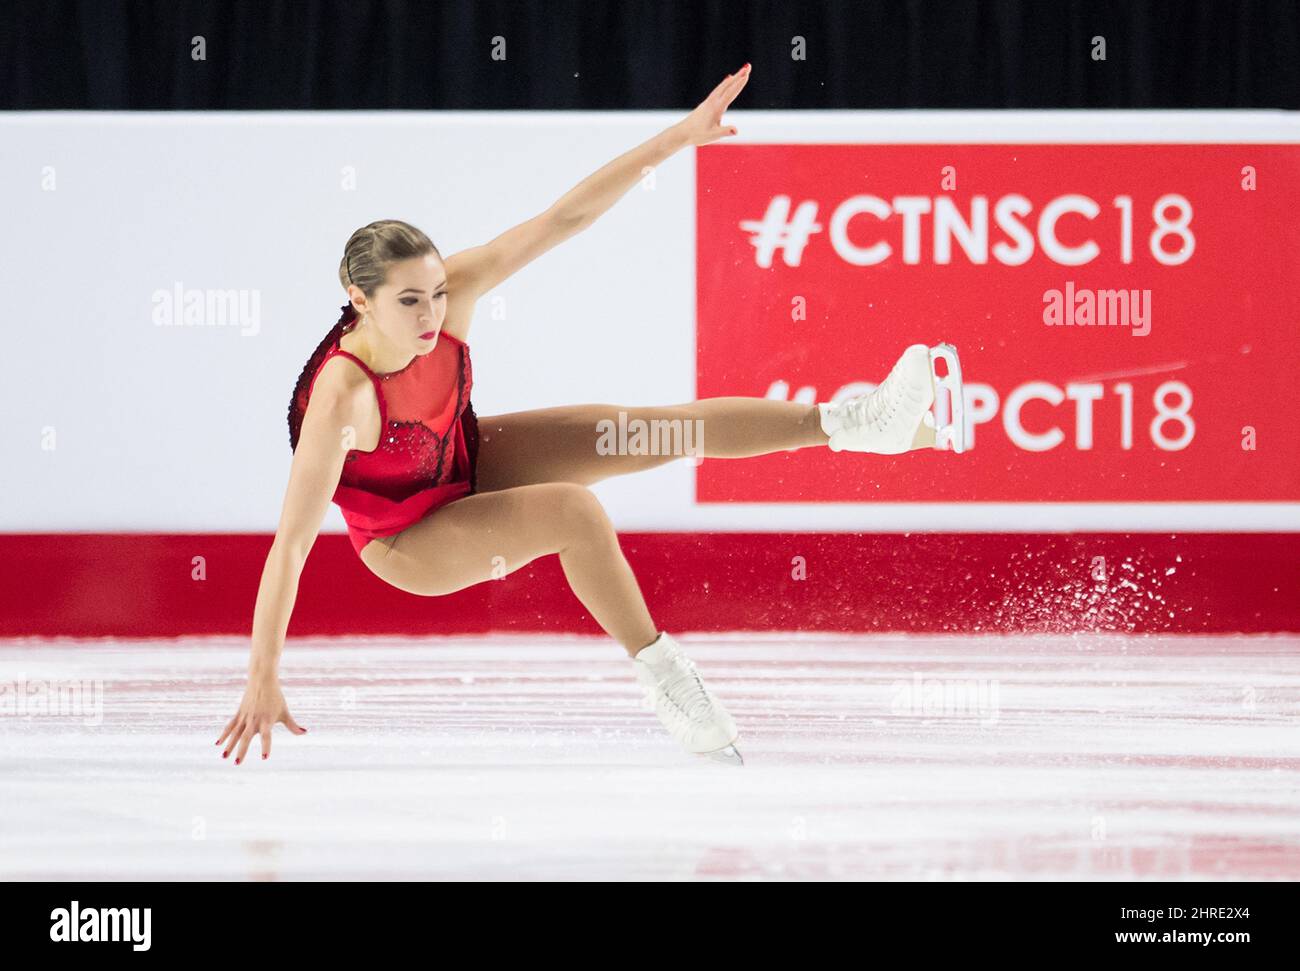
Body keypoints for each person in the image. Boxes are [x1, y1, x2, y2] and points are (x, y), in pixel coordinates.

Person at [216, 63, 964, 768]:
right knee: (575, 512)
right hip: (408, 540)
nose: (432, 313)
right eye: (410, 301)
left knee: (652, 428)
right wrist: (263, 673)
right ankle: (666, 675)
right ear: (360, 299)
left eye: (439, 292)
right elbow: (291, 544)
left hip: (462, 459)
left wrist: (679, 136)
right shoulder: (342, 398)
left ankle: (858, 422)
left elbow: (563, 217)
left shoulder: (451, 300)